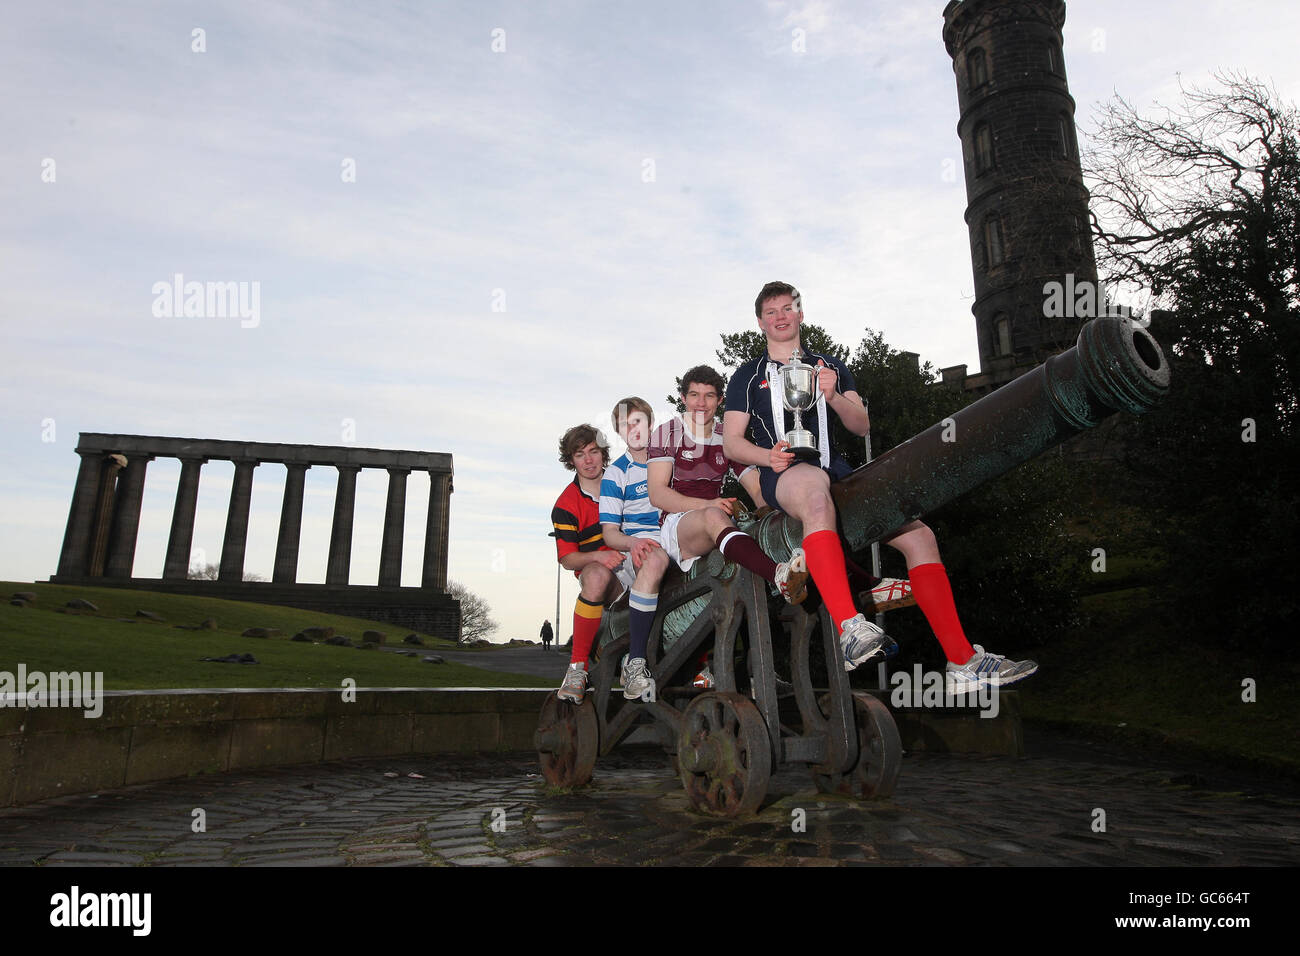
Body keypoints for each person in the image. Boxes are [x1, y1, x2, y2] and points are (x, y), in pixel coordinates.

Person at [722, 281, 1037, 689]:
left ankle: (962, 661)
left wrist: (834, 396)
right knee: (816, 501)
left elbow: (861, 424)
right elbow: (732, 441)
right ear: (760, 322)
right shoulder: (746, 376)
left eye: (787, 308)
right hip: (784, 473)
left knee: (920, 536)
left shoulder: (828, 365)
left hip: (836, 470)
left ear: (801, 314)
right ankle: (851, 628)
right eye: (771, 312)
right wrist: (768, 457)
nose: (780, 317)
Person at [647, 365, 809, 687]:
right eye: (694, 395)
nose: (701, 403)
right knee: (715, 519)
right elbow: (658, 494)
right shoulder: (666, 433)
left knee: (756, 536)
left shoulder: (726, 437)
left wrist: (777, 510)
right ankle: (777, 574)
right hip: (679, 524)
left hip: (717, 519)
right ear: (683, 397)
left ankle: (756, 669)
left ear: (720, 401)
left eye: (709, 396)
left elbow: (755, 488)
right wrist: (707, 505)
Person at [599, 397, 671, 701]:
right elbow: (611, 535)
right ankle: (636, 662)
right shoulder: (616, 474)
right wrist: (635, 542)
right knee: (653, 560)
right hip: (638, 548)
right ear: (619, 432)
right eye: (625, 425)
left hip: (674, 539)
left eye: (638, 421)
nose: (633, 429)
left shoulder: (669, 462)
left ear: (650, 425)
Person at [550, 424, 627, 703]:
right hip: (603, 575)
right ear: (571, 460)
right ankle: (577, 669)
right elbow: (568, 558)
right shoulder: (566, 504)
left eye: (593, 451)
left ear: (603, 453)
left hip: (638, 561)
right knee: (596, 576)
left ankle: (701, 667)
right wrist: (598, 556)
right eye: (580, 454)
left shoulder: (624, 481)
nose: (589, 460)